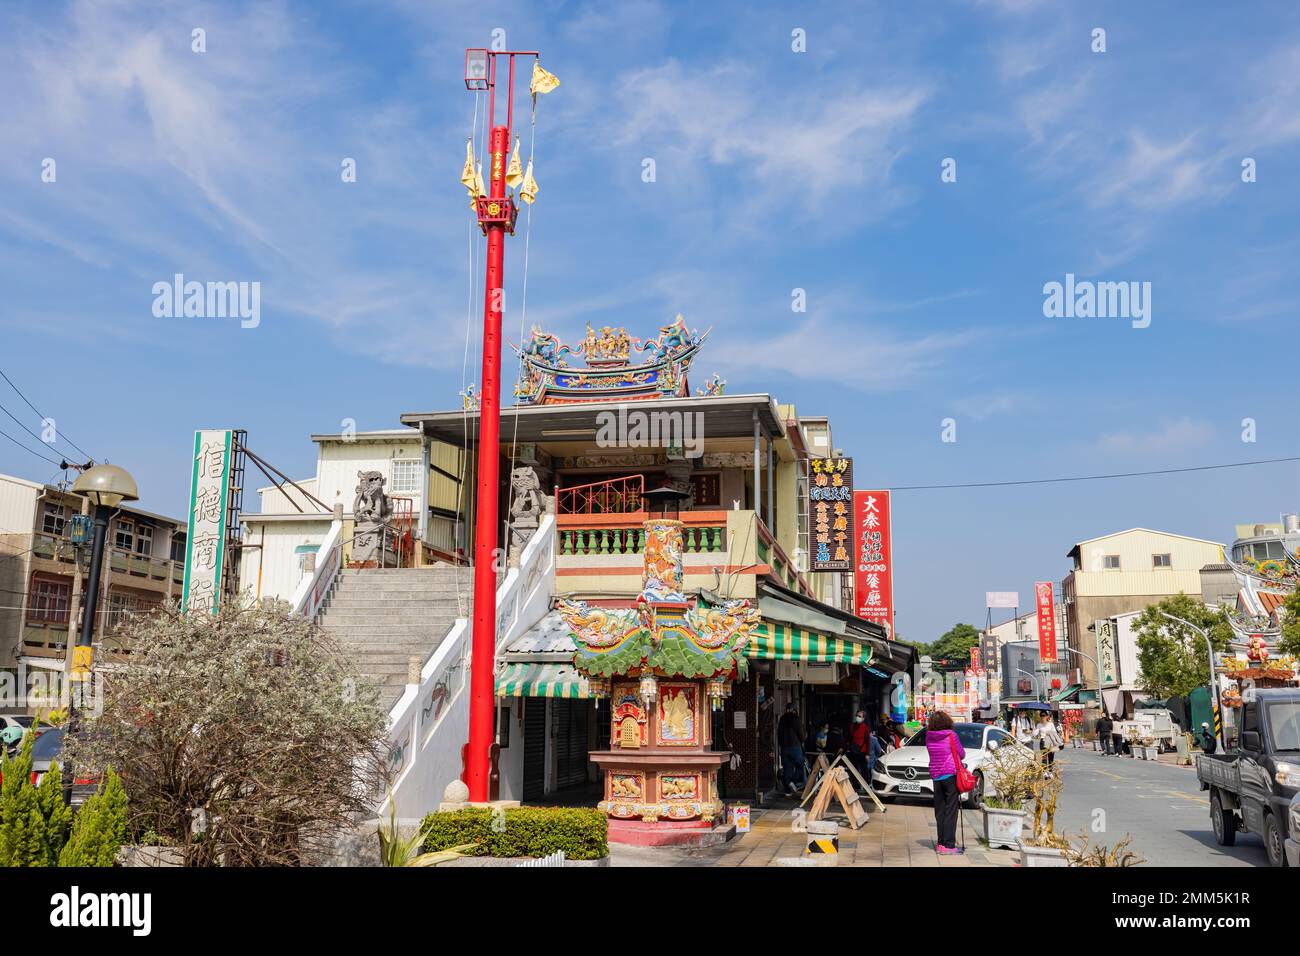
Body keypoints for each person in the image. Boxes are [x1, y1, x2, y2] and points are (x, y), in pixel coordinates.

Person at [925, 710, 965, 855]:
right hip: (950, 775)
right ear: (947, 722)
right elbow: (962, 753)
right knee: (951, 811)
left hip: (936, 776)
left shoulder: (928, 737)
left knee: (940, 811)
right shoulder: (951, 735)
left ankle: (941, 843)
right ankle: (949, 845)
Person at [777, 703, 807, 795]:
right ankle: (792, 781)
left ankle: (788, 790)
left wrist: (781, 745)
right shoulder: (796, 719)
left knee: (787, 767)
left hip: (784, 748)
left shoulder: (782, 719)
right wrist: (803, 738)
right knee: (800, 764)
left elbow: (779, 734)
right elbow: (801, 736)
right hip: (795, 747)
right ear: (794, 710)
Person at [848, 710, 873, 788]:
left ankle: (866, 785)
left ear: (863, 718)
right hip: (853, 750)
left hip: (862, 751)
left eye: (860, 716)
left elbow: (868, 741)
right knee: (853, 769)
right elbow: (849, 738)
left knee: (863, 769)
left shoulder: (865, 727)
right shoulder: (852, 726)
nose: (857, 717)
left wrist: (867, 754)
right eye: (857, 716)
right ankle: (856, 785)